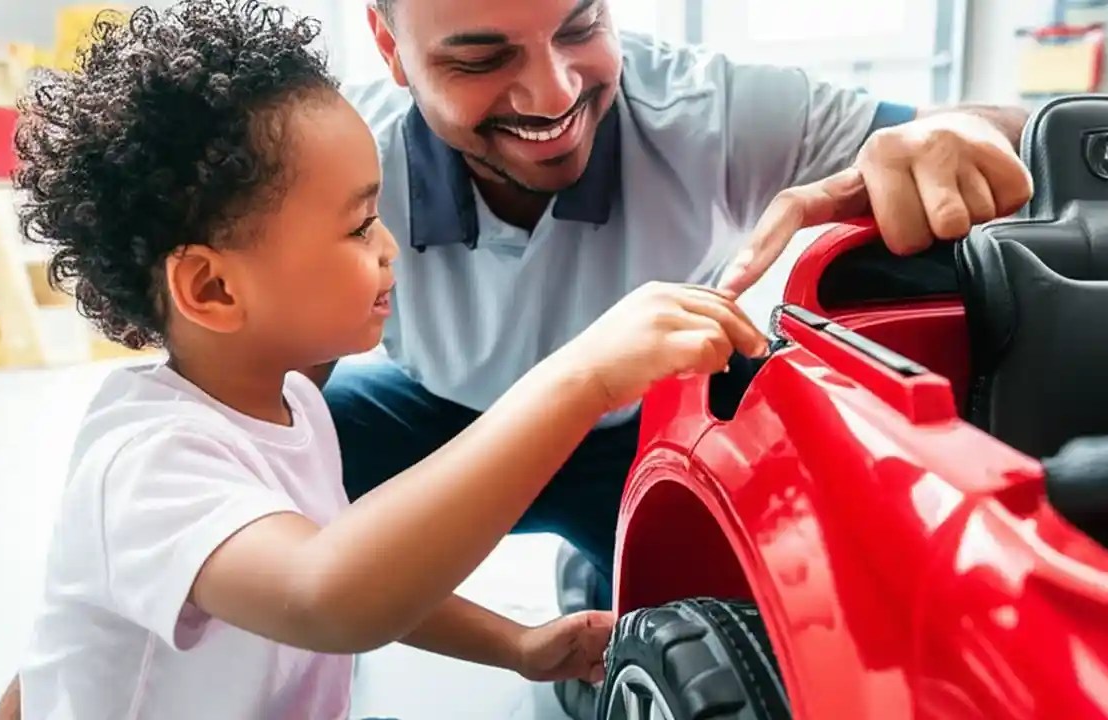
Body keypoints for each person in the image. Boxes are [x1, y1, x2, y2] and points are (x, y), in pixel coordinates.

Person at [0, 1, 766, 718]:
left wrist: (517, 645)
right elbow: (327, 595)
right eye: (361, 225)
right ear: (213, 287)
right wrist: (582, 375)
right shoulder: (150, 463)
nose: (391, 245)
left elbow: (370, 569)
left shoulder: (292, 405)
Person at [325, 0, 1033, 624]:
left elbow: (1023, 135)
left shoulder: (707, 109)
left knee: (742, 606)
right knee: (293, 451)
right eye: (481, 58)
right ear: (390, 48)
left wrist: (961, 137)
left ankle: (597, 573)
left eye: (581, 27)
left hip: (644, 429)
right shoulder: (344, 159)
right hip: (437, 418)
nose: (553, 95)